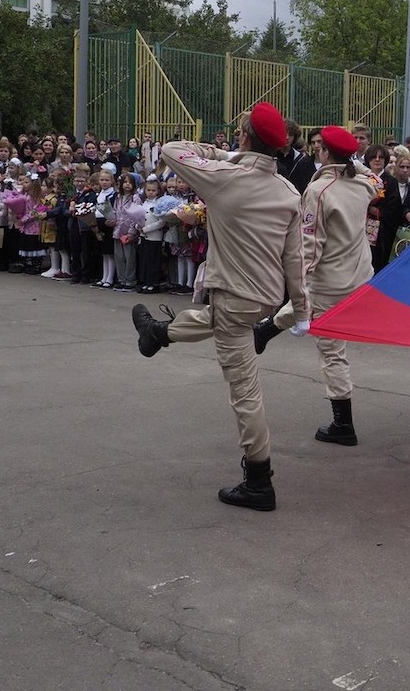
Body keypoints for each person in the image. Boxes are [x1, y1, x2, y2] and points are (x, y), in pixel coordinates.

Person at [130, 102, 309, 513]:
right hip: (265, 296)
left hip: (232, 291)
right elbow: (295, 260)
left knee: (245, 391)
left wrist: (223, 153)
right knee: (220, 322)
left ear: (245, 138)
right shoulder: (288, 191)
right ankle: (157, 334)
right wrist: (300, 311)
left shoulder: (226, 177)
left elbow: (173, 149)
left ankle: (259, 481)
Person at [253, 125, 377, 446]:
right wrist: (355, 161)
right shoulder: (363, 184)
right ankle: (266, 331)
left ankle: (343, 423)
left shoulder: (319, 191)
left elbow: (309, 249)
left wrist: (300, 287)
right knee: (323, 334)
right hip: (360, 275)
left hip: (330, 280)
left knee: (331, 351)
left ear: (323, 153)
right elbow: (376, 180)